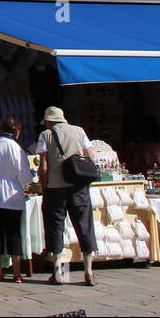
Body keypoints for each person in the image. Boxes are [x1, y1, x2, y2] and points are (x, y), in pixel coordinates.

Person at [35, 106, 99, 286]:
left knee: (55, 226)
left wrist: (43, 184)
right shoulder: (79, 131)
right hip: (79, 187)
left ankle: (58, 272)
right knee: (84, 225)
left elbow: (43, 165)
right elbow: (92, 157)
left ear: (49, 121)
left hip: (55, 188)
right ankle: (89, 271)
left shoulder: (45, 135)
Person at [0, 117, 34, 283]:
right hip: (13, 196)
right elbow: (25, 177)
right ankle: (17, 273)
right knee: (14, 234)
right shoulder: (17, 149)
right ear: (16, 132)